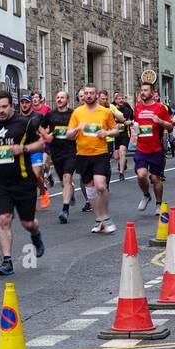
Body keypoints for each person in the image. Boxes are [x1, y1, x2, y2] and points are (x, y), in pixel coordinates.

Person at [0, 90, 47, 276]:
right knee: (4, 219)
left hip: (24, 181)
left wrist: (23, 148)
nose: (1, 111)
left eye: (4, 107)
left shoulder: (24, 123)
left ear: (11, 105)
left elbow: (41, 144)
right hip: (0, 182)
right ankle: (7, 261)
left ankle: (36, 235)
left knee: (28, 223)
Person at [67, 85, 121, 236]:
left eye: (91, 93)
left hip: (100, 153)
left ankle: (106, 217)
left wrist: (106, 132)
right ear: (83, 96)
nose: (89, 96)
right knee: (90, 190)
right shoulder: (77, 112)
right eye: (86, 94)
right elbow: (68, 134)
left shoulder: (105, 112)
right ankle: (98, 219)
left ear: (97, 95)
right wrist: (77, 129)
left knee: (101, 186)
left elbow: (116, 130)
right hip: (82, 154)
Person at [132, 82, 175, 212]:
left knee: (156, 178)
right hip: (141, 148)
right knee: (141, 175)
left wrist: (160, 121)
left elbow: (170, 126)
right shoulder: (138, 107)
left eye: (146, 90)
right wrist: (135, 133)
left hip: (156, 149)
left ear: (152, 92)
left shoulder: (160, 108)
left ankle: (158, 204)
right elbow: (136, 124)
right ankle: (146, 195)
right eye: (141, 90)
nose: (143, 92)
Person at [41, 90, 78, 223]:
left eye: (62, 97)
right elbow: (40, 127)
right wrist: (46, 136)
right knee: (64, 182)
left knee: (67, 177)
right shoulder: (50, 115)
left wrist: (75, 132)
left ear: (67, 100)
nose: (59, 99)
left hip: (71, 151)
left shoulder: (73, 114)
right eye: (57, 97)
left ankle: (65, 210)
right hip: (56, 152)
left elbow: (79, 128)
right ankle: (70, 193)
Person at [111, 91, 131, 181]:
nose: (121, 100)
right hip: (115, 135)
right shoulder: (111, 109)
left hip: (124, 134)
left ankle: (121, 173)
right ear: (115, 100)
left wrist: (130, 122)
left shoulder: (127, 110)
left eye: (122, 98)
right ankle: (123, 161)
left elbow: (132, 120)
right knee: (116, 156)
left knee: (122, 152)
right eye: (119, 99)